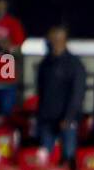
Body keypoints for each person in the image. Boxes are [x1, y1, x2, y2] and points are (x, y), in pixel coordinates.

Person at [34, 25, 86, 162]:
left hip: (67, 119)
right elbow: (41, 90)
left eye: (58, 39)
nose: (54, 42)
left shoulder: (74, 64)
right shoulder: (45, 64)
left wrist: (69, 117)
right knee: (44, 156)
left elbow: (78, 93)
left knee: (68, 155)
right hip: (47, 118)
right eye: (52, 39)